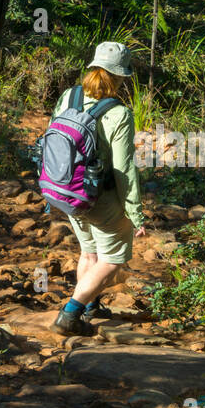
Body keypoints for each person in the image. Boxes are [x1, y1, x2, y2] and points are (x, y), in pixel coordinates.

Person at [49, 41, 145, 337]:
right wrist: (135, 213)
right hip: (99, 199)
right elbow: (123, 169)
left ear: (92, 67)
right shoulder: (119, 114)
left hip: (66, 192)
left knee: (89, 252)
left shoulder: (69, 95)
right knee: (113, 259)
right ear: (121, 77)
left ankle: (91, 308)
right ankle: (70, 314)